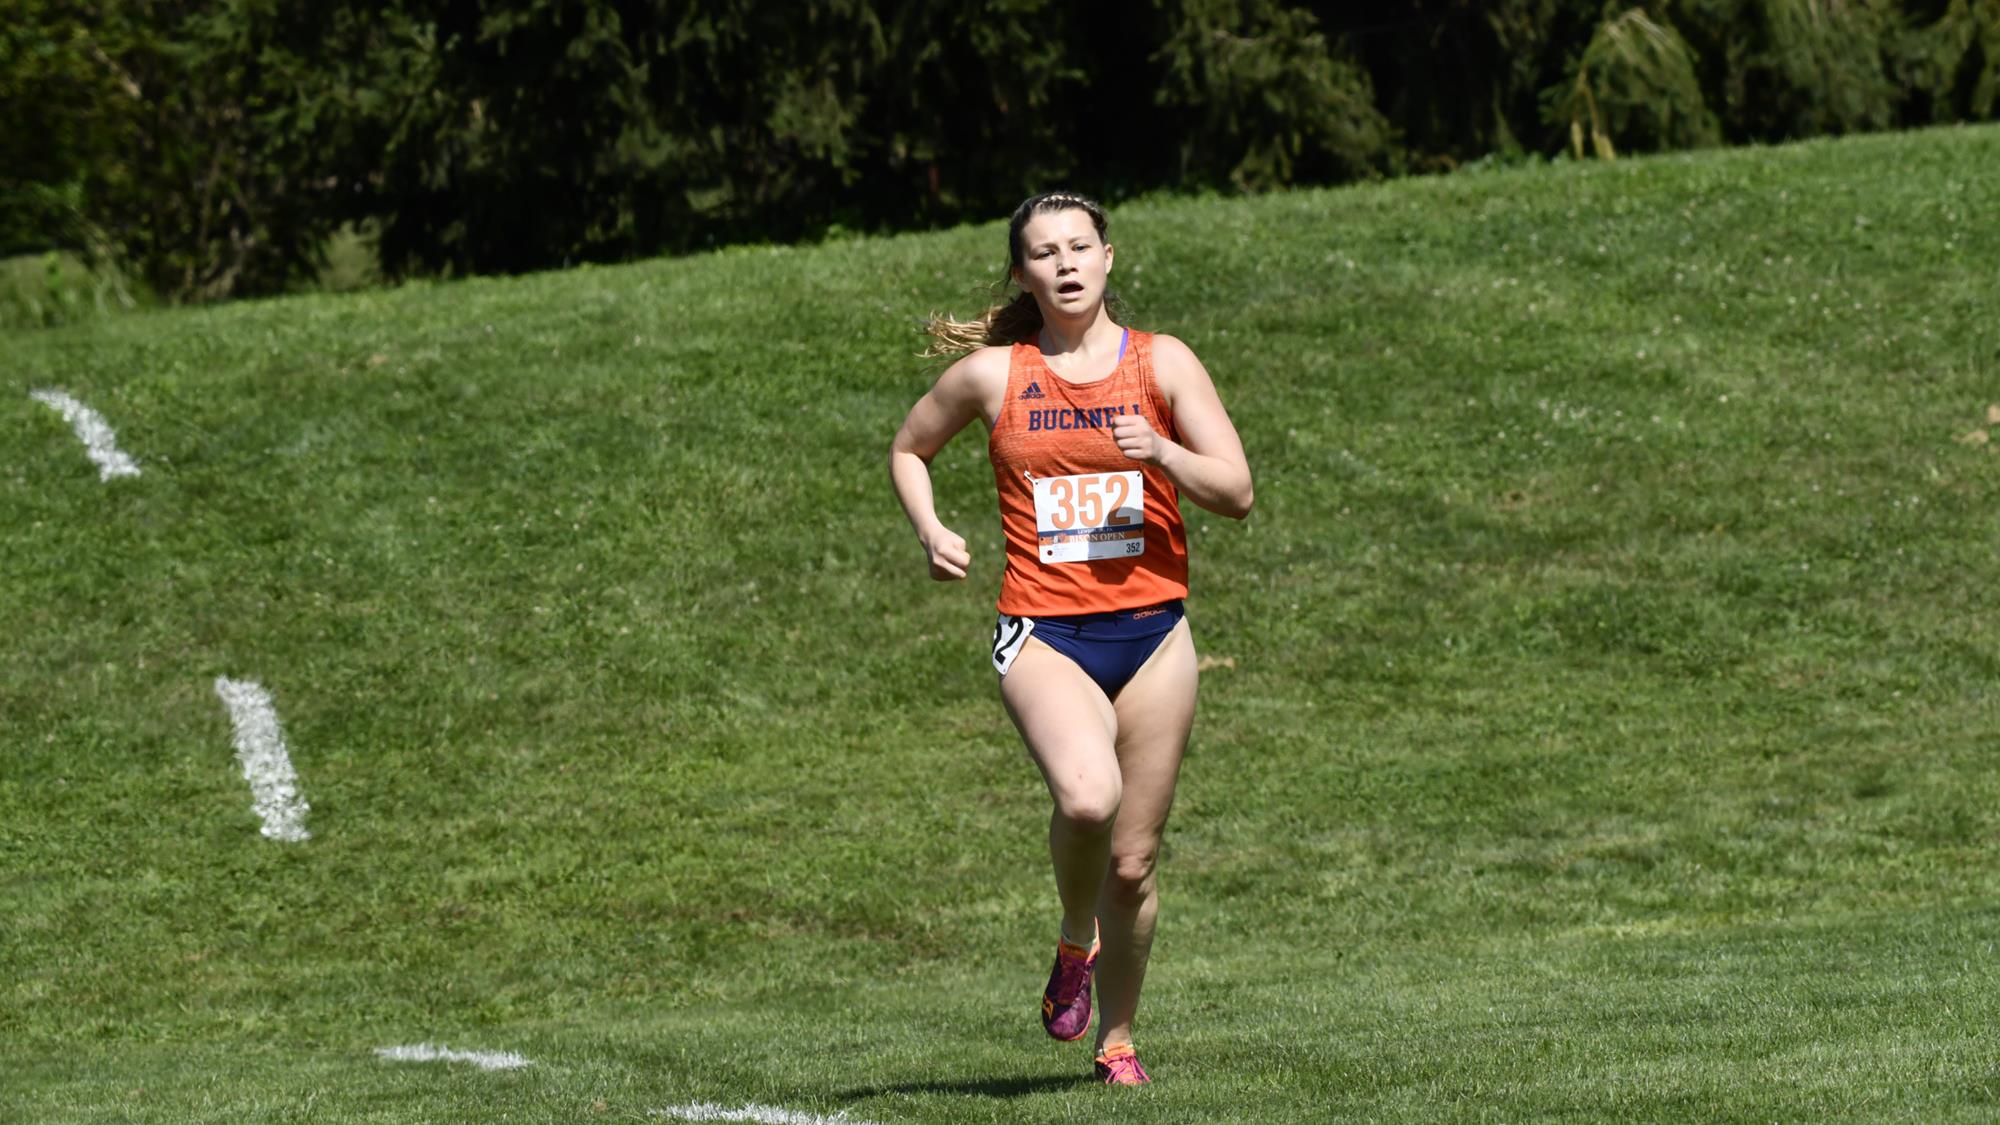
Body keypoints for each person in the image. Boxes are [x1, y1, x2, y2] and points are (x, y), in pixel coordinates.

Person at [888, 191, 1253, 1086]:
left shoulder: (1163, 362)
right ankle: (1072, 937)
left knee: (1133, 862)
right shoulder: (993, 377)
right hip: (1045, 634)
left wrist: (1162, 452)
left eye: (1080, 247)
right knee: (1089, 799)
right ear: (1023, 274)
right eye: (1046, 253)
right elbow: (908, 448)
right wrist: (931, 530)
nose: (1066, 264)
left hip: (1155, 635)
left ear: (1108, 257)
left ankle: (1117, 1041)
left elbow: (1237, 491)